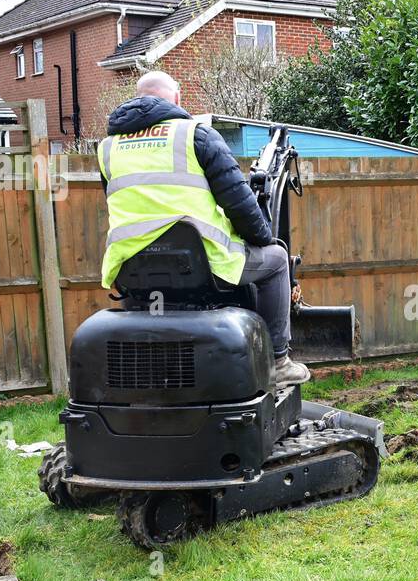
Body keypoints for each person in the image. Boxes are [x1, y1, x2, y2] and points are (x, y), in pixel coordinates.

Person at [97, 71, 309, 386]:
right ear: (178, 99)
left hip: (132, 268)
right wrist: (263, 239)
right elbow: (239, 204)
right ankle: (278, 361)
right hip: (203, 263)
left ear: (137, 98)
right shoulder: (196, 135)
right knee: (276, 259)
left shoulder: (107, 148)